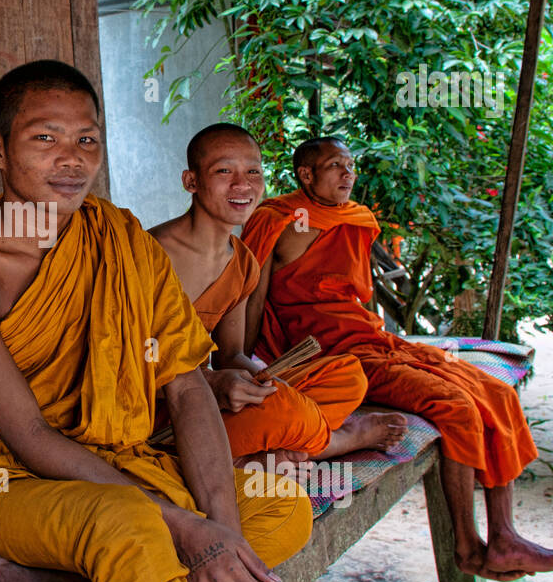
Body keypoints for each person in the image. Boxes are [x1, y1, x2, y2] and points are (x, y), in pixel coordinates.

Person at [0, 61, 312, 582]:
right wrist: (190, 532)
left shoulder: (121, 238)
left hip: (110, 460)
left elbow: (187, 386)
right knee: (127, 524)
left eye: (87, 139)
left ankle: (42, 578)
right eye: (46, 138)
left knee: (280, 506)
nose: (73, 159)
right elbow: (30, 438)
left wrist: (220, 532)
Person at [241, 136, 553, 580]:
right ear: (306, 174)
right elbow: (250, 299)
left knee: (495, 391)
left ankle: (505, 536)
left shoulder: (355, 218)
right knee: (455, 406)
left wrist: (389, 341)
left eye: (351, 166)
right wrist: (243, 366)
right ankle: (467, 546)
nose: (348, 175)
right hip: (330, 358)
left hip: (371, 342)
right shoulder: (275, 221)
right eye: (336, 166)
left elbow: (355, 297)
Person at [150, 124, 407, 465]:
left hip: (212, 397)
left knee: (347, 376)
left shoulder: (242, 262)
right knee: (289, 412)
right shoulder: (150, 253)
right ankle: (336, 440)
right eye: (224, 170)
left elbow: (231, 356)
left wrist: (262, 380)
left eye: (253, 172)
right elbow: (124, 359)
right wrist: (212, 383)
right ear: (191, 181)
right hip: (162, 414)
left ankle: (271, 447)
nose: (242, 185)